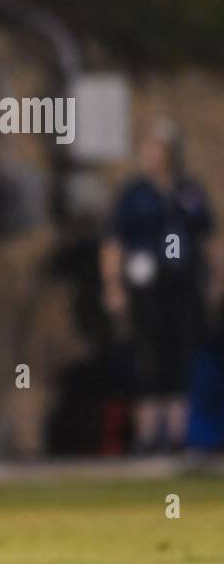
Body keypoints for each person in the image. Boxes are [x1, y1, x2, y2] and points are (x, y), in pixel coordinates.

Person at [101, 118, 216, 453]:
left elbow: (207, 238)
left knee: (179, 359)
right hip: (145, 286)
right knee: (147, 359)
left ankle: (178, 434)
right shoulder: (135, 194)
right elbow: (113, 241)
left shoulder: (188, 191)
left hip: (181, 284)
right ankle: (149, 434)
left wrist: (215, 280)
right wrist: (113, 284)